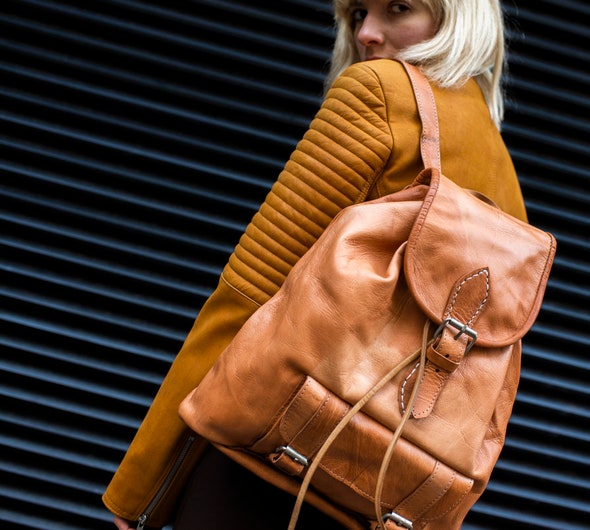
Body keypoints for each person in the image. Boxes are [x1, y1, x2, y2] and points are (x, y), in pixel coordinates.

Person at [104, 0, 528, 528]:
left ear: (459, 14)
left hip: (266, 465)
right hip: (381, 499)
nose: (369, 33)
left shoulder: (376, 91)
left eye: (398, 7)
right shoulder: (503, 171)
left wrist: (143, 487)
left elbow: (249, 295)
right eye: (355, 15)